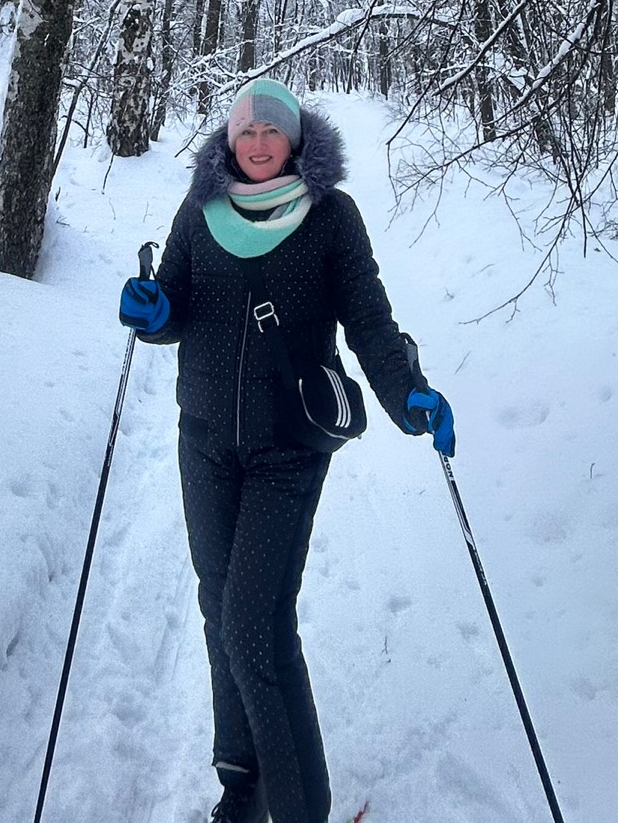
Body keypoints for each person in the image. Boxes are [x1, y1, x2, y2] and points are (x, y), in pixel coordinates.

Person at [118, 77, 454, 823]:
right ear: (230, 143)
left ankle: (302, 809)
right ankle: (242, 787)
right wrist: (151, 311)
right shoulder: (201, 211)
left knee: (254, 622)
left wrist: (409, 397)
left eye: (274, 132)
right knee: (219, 609)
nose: (261, 144)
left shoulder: (332, 218)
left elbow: (368, 319)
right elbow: (172, 302)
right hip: (203, 441)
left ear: (296, 141)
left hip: (288, 448)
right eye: (248, 132)